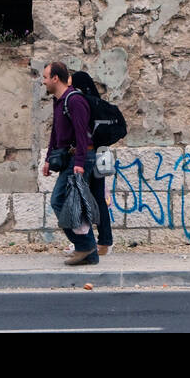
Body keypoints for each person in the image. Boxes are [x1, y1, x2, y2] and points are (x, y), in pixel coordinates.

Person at [41, 61, 99, 266]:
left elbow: (83, 133)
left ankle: (84, 246)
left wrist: (80, 162)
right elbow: (55, 133)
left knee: (59, 201)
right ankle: (89, 252)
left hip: (79, 158)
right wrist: (49, 158)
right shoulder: (59, 101)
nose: (44, 81)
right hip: (69, 158)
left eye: (46, 77)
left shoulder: (75, 101)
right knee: (74, 204)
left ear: (56, 78)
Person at [69, 70, 114, 256]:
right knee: (99, 199)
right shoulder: (99, 103)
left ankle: (85, 243)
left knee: (82, 199)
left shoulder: (81, 103)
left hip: (89, 155)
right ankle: (105, 241)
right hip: (103, 153)